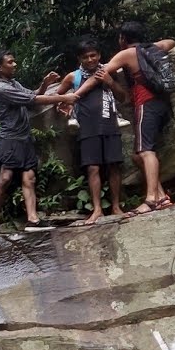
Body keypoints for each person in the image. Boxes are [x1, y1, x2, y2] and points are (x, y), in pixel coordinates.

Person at [71, 21, 175, 216]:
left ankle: (151, 200)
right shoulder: (154, 48)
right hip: (163, 104)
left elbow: (99, 75)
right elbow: (171, 42)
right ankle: (161, 197)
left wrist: (75, 95)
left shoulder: (126, 53)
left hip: (146, 103)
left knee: (146, 152)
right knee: (137, 156)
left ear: (123, 38)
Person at [0, 49, 78, 235]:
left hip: (25, 137)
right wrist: (63, 98)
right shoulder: (2, 89)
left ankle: (33, 219)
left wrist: (45, 83)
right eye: (10, 62)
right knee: (5, 178)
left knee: (29, 177)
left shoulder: (13, 83)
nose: (14, 64)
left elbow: (32, 95)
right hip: (10, 139)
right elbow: (34, 100)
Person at [55, 38, 126, 225]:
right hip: (87, 126)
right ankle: (97, 209)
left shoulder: (109, 71)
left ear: (99, 55)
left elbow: (122, 97)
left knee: (114, 165)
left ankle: (116, 206)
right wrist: (64, 105)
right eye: (85, 57)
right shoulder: (73, 77)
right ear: (79, 59)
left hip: (109, 123)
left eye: (93, 55)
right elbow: (58, 96)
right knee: (92, 167)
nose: (90, 60)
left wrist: (110, 82)